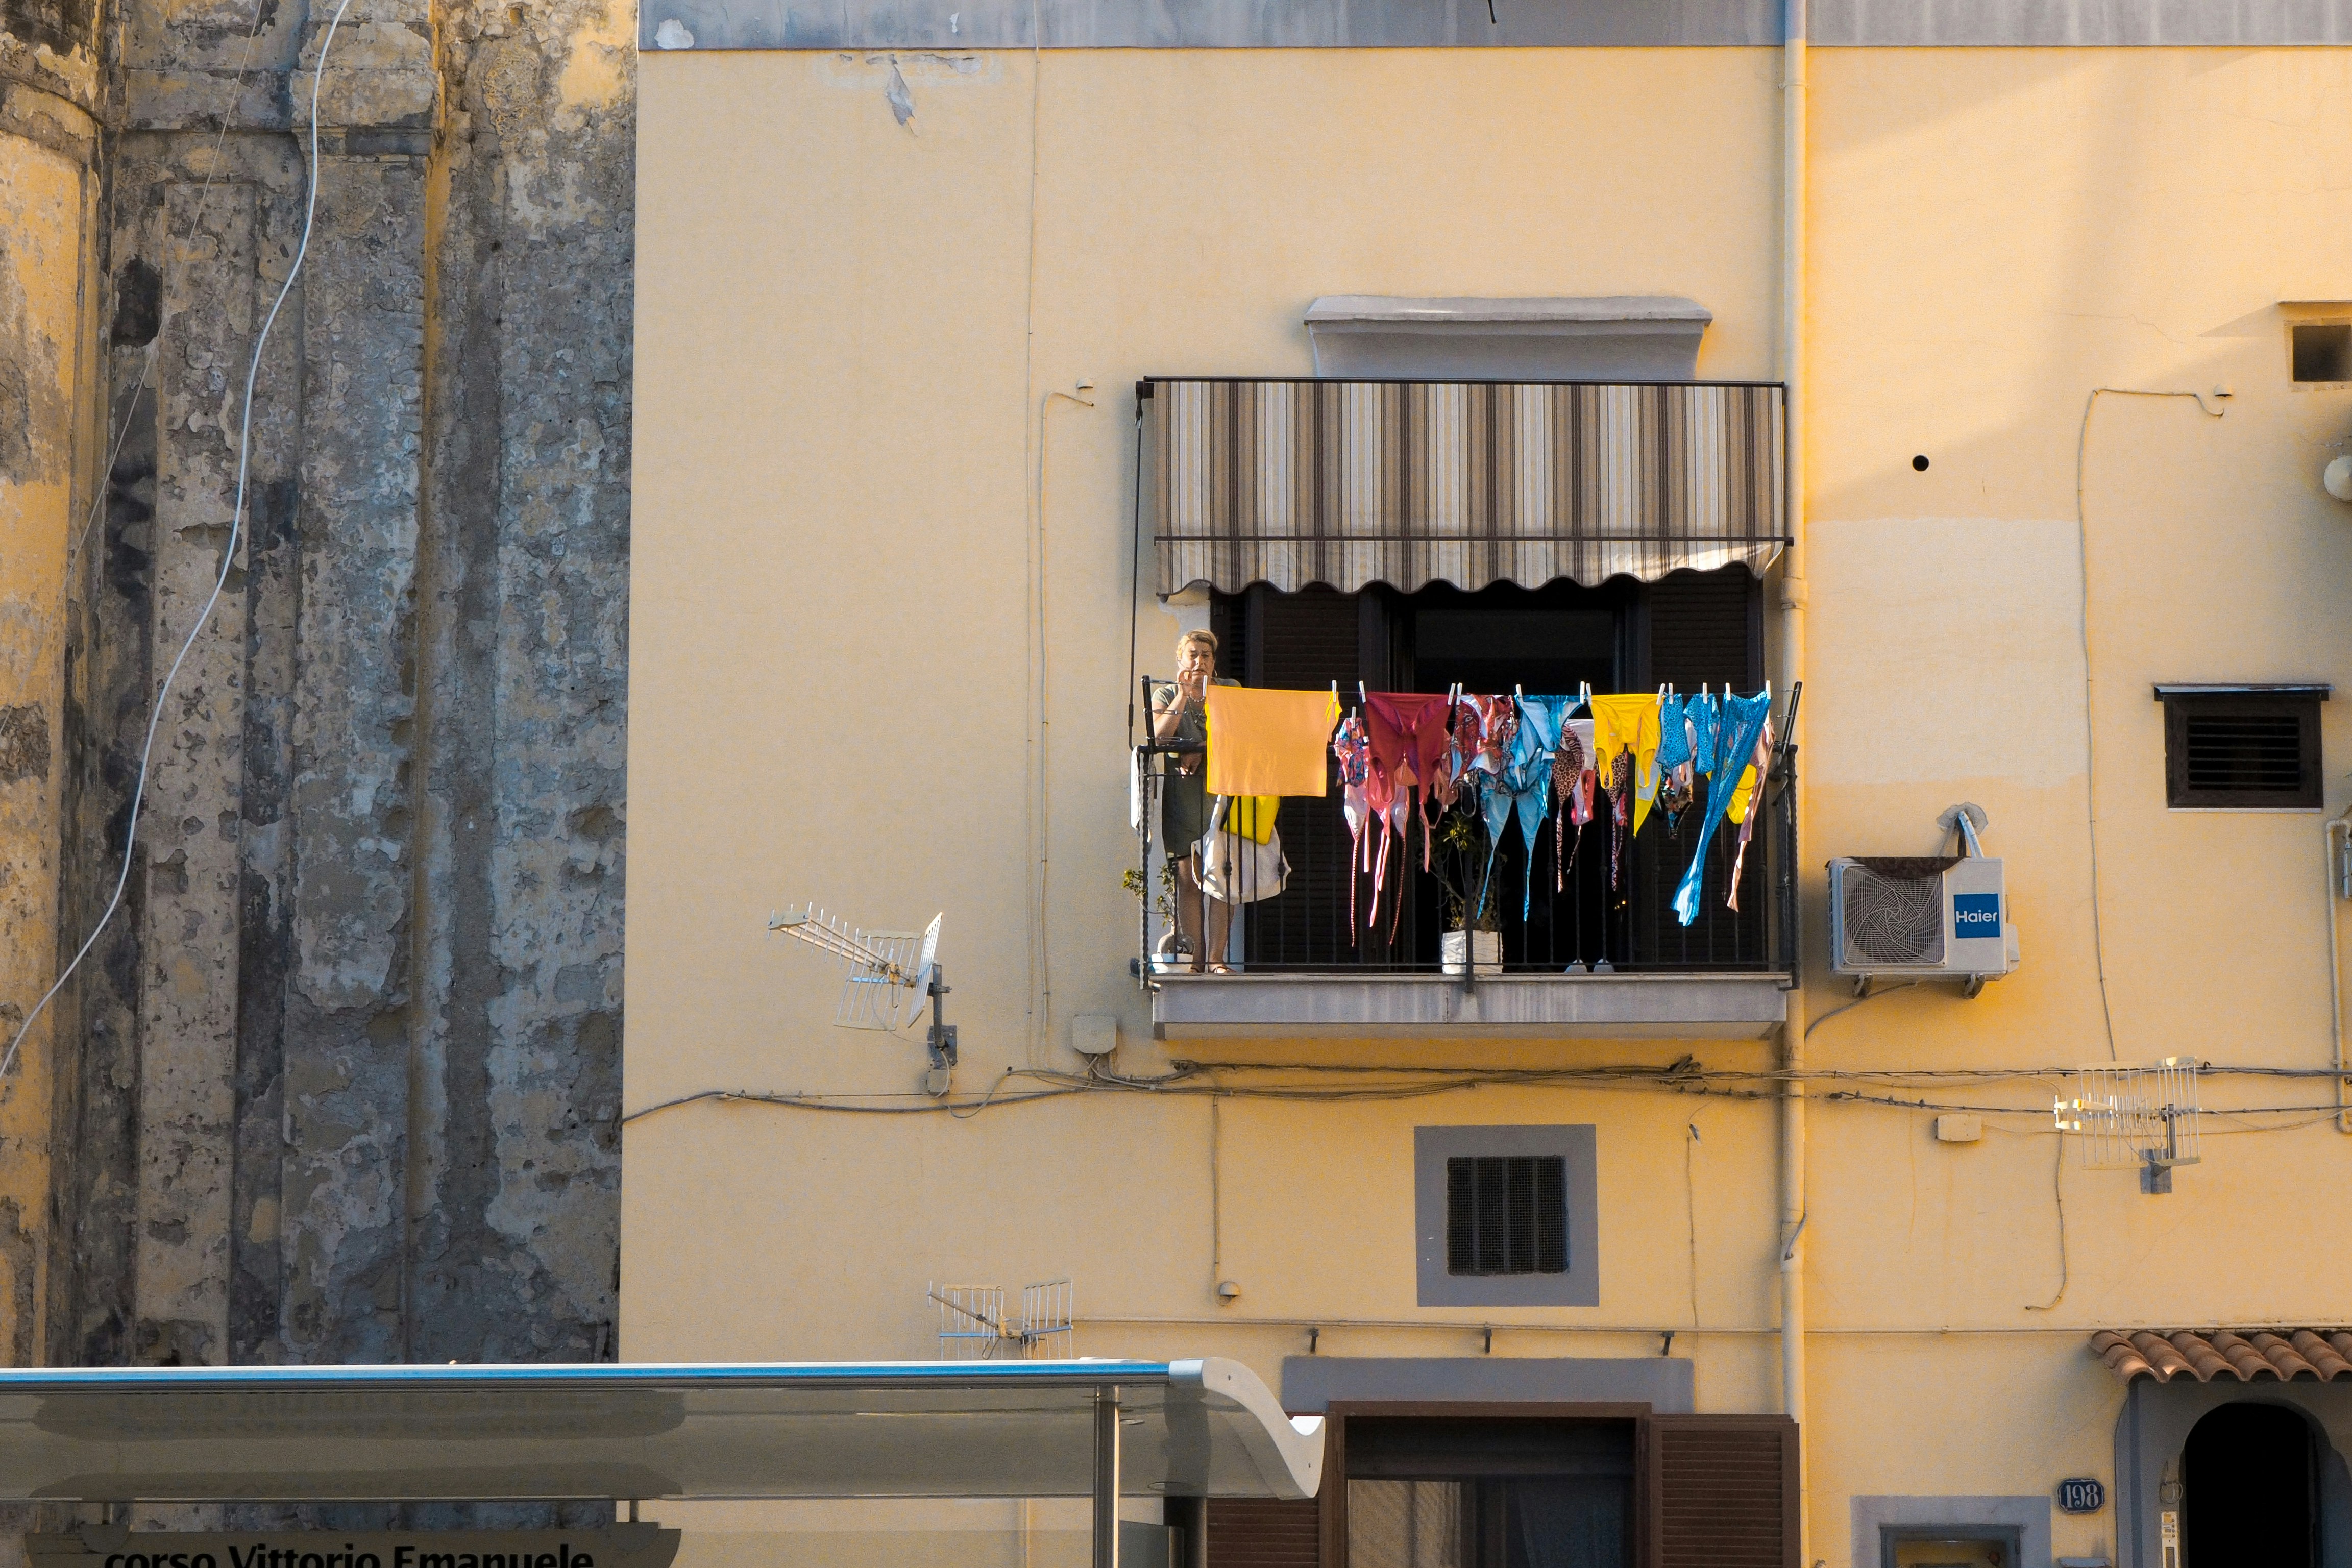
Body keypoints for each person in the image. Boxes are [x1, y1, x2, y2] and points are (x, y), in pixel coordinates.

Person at [1149, 629, 1236, 974]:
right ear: (1180, 660)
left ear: (1215, 662)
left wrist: (1202, 751)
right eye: (1192, 655)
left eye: (1206, 655)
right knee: (1190, 879)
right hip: (1184, 799)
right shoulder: (1165, 692)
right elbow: (1159, 736)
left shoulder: (1230, 691)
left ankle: (1216, 960)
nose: (1199, 661)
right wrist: (1184, 696)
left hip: (1225, 795)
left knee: (1223, 880)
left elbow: (1243, 734)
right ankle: (1196, 963)